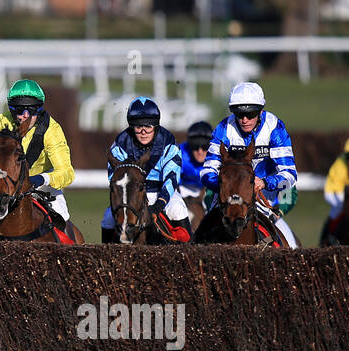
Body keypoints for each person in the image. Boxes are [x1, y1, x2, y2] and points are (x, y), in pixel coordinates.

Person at [200, 81, 299, 248]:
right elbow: (206, 172)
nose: (245, 120)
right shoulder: (224, 128)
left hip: (264, 200)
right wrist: (228, 186)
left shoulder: (275, 127)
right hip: (226, 198)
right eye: (239, 114)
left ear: (261, 110)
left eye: (251, 114)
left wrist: (265, 182)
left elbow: (289, 174)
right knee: (198, 238)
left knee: (292, 247)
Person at [0, 79, 76, 227]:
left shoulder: (52, 130)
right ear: (12, 110)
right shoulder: (0, 123)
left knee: (62, 218)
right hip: (3, 182)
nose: (25, 115)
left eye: (31, 110)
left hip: (40, 183)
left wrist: (41, 179)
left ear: (39, 109)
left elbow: (67, 173)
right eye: (20, 110)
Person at [100, 97, 191, 242]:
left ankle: (190, 254)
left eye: (148, 126)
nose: (143, 131)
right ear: (132, 126)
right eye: (138, 126)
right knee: (108, 219)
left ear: (155, 125)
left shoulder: (168, 142)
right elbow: (115, 181)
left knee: (178, 210)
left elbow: (171, 178)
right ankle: (104, 256)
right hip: (131, 195)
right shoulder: (120, 143)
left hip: (161, 192)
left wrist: (159, 204)